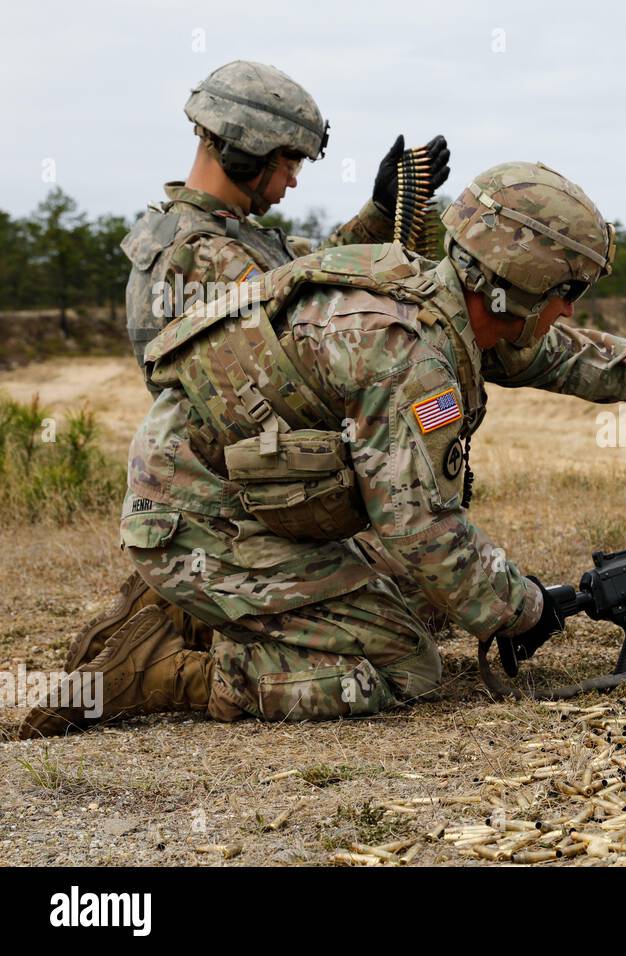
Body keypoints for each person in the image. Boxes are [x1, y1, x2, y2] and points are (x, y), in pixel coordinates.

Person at [20, 161, 626, 737]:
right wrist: (521, 608)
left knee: (423, 601)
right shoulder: (407, 356)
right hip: (199, 520)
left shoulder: (439, 297)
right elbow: (421, 527)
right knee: (404, 664)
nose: (571, 309)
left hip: (224, 501)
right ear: (511, 293)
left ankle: (206, 607)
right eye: (566, 290)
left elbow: (549, 354)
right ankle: (159, 672)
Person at [60, 59, 452, 678]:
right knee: (407, 654)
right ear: (246, 152)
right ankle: (170, 664)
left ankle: (187, 608)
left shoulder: (221, 236)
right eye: (288, 162)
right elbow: (307, 306)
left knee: (427, 595)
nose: (293, 181)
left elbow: (302, 269)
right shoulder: (201, 256)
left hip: (253, 482)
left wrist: (382, 213)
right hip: (232, 501)